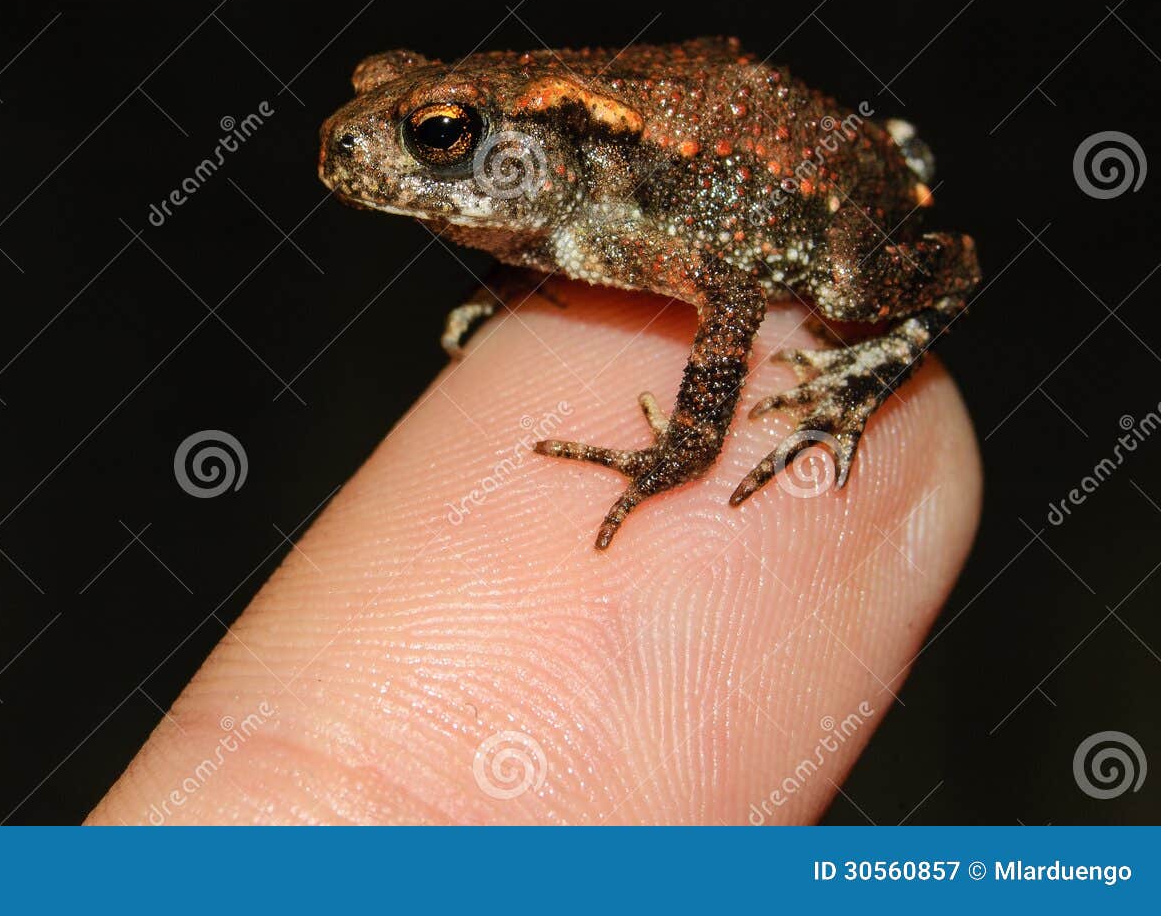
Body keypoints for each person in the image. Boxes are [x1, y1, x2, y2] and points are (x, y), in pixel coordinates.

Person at [89, 285, 981, 824]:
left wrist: (688, 447)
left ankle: (862, 380)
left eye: (441, 136)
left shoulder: (629, 190)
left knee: (857, 291)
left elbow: (736, 292)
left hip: (790, 185)